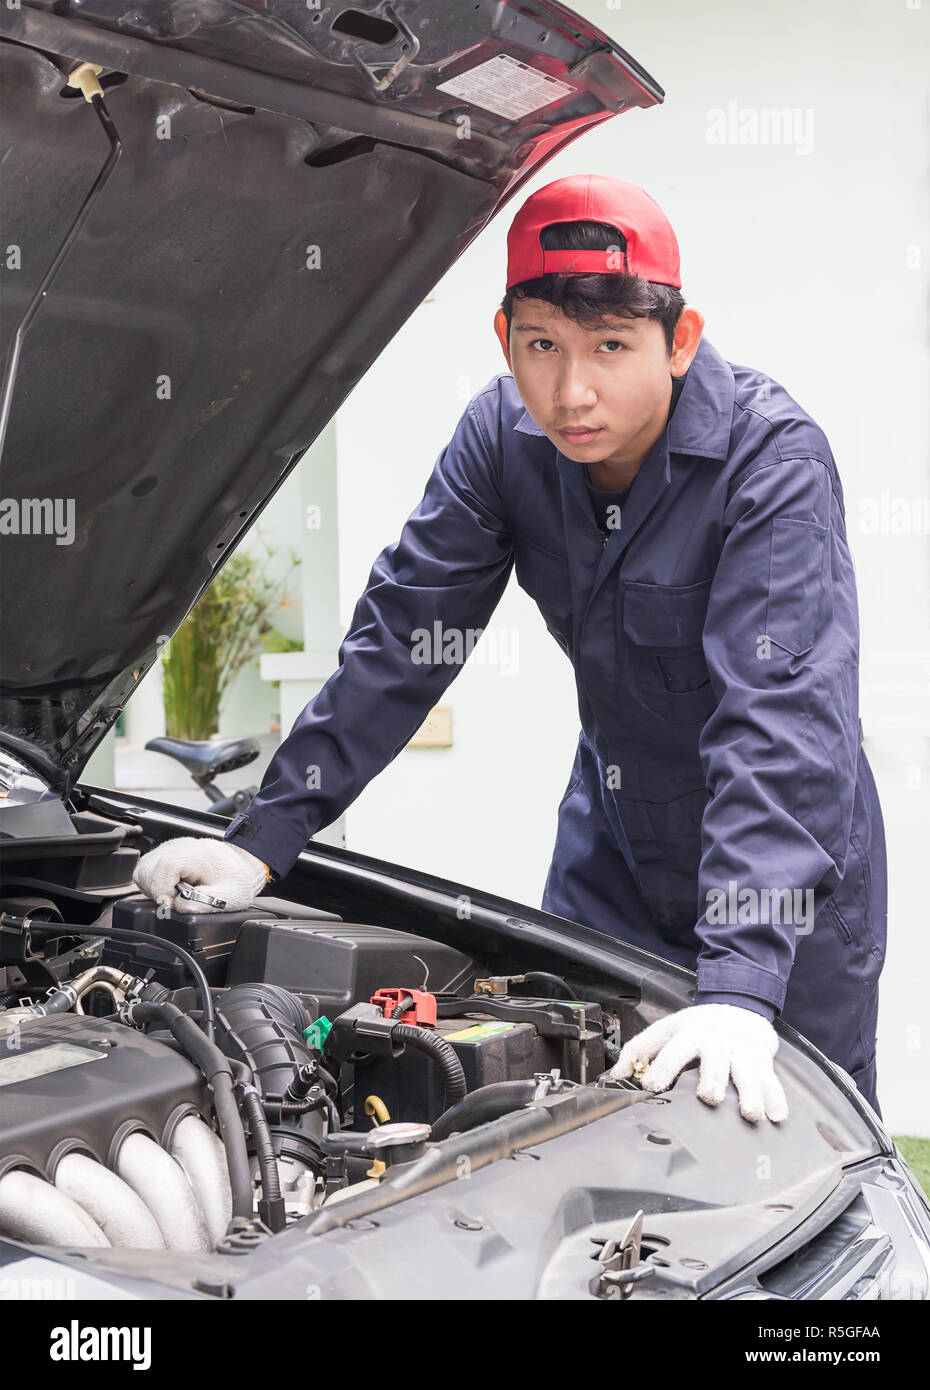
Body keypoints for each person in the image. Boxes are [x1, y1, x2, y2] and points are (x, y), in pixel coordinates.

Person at [134, 175, 887, 1123]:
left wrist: (738, 987)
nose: (572, 392)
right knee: (577, 1130)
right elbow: (401, 642)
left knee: (785, 1159)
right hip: (610, 868)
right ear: (506, 342)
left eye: (612, 347)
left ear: (680, 341)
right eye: (543, 347)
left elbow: (778, 723)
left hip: (788, 890)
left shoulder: (771, 462)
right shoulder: (501, 441)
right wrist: (263, 842)